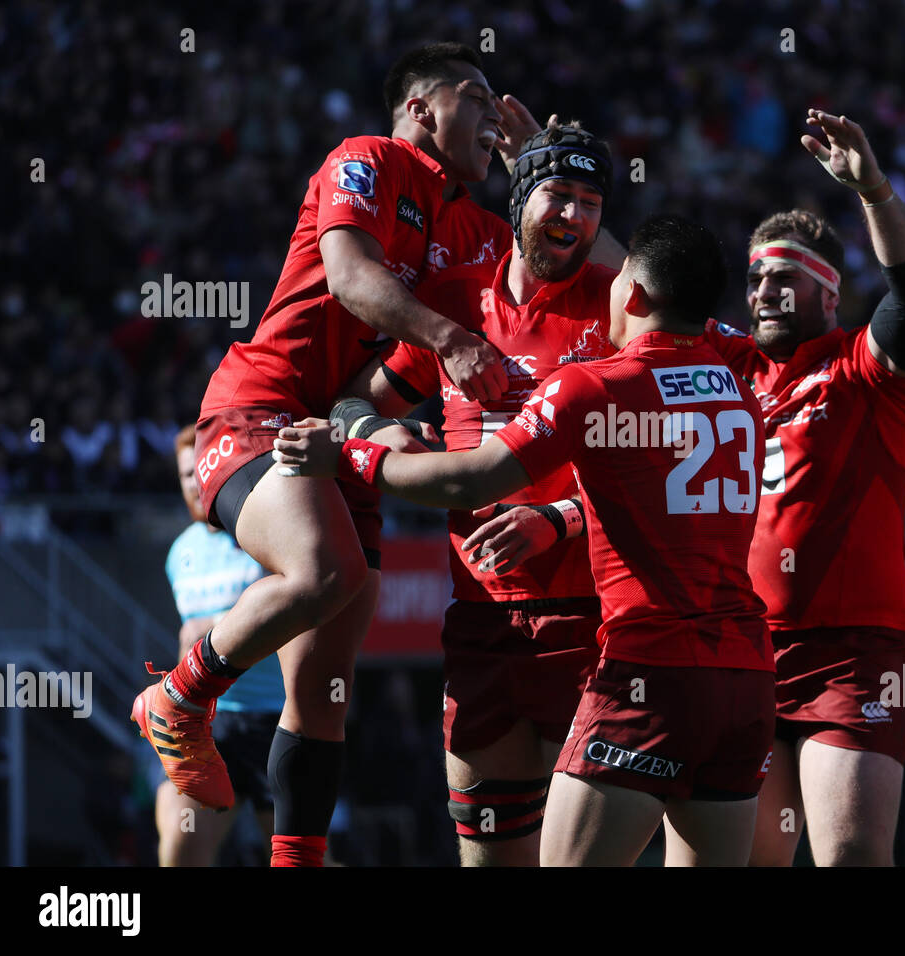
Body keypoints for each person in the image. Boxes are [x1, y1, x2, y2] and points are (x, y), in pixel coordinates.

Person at [274, 215, 775, 866]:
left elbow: (466, 481)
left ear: (635, 298)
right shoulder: (740, 395)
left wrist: (351, 453)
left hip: (650, 675)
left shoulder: (593, 387)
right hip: (745, 684)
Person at [131, 42, 515, 867]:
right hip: (260, 408)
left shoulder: (478, 229)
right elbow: (347, 277)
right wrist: (448, 340)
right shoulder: (368, 159)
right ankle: (176, 697)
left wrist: (546, 167)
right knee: (325, 571)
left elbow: (593, 265)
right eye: (476, 96)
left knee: (323, 695)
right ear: (421, 109)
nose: (493, 112)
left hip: (339, 434)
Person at [337, 120, 621, 865]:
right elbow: (348, 408)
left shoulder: (619, 313)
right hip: (481, 623)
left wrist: (558, 520)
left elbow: (668, 463)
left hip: (596, 621)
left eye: (593, 202)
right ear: (521, 195)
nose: (575, 215)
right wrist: (376, 435)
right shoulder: (457, 304)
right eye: (559, 194)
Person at [702, 109, 905, 865]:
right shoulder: (727, 373)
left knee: (849, 858)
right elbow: (640, 284)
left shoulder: (863, 371)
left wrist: (872, 189)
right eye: (755, 278)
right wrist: (545, 180)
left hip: (851, 653)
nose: (765, 290)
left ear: (829, 296)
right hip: (745, 650)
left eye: (785, 277)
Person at [157, 426, 285, 865]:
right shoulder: (179, 554)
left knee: (299, 860)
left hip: (277, 723)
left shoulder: (263, 536)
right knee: (180, 849)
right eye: (183, 475)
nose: (193, 482)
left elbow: (293, 615)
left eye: (199, 470)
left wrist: (212, 627)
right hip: (211, 728)